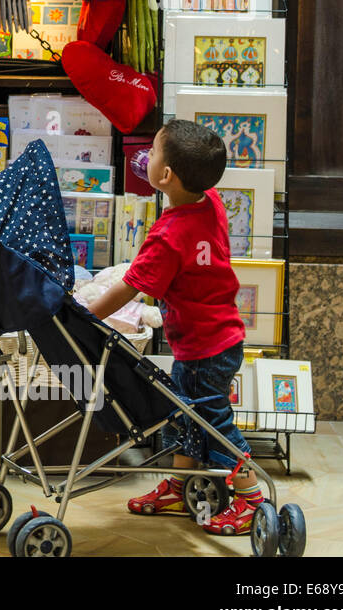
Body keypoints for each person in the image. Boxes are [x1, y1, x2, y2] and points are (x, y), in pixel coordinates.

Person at [87, 120, 262, 534]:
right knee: (184, 415)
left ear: (166, 176)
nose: (147, 154)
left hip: (203, 347)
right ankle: (184, 488)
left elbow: (131, 286)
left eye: (154, 150)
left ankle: (252, 496)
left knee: (210, 421)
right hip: (214, 339)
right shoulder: (210, 200)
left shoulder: (167, 236)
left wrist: (88, 313)